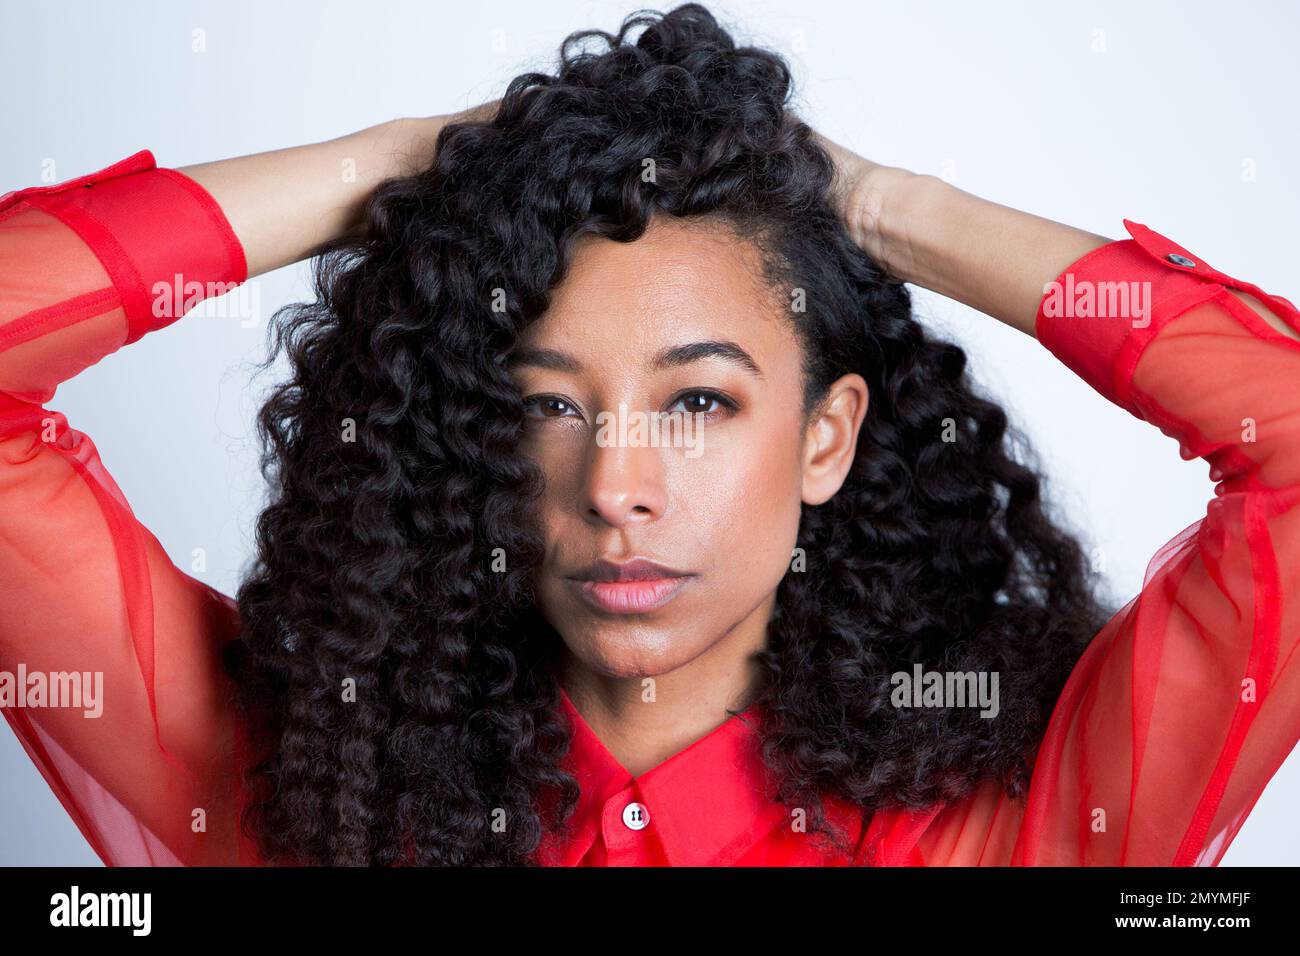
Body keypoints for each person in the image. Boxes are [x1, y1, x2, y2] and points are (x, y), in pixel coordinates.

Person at [2, 3, 1298, 867]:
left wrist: (889, 208)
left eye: (699, 400)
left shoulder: (1009, 828)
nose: (617, 486)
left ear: (826, 438)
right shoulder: (308, 790)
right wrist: (398, 167)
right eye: (546, 402)